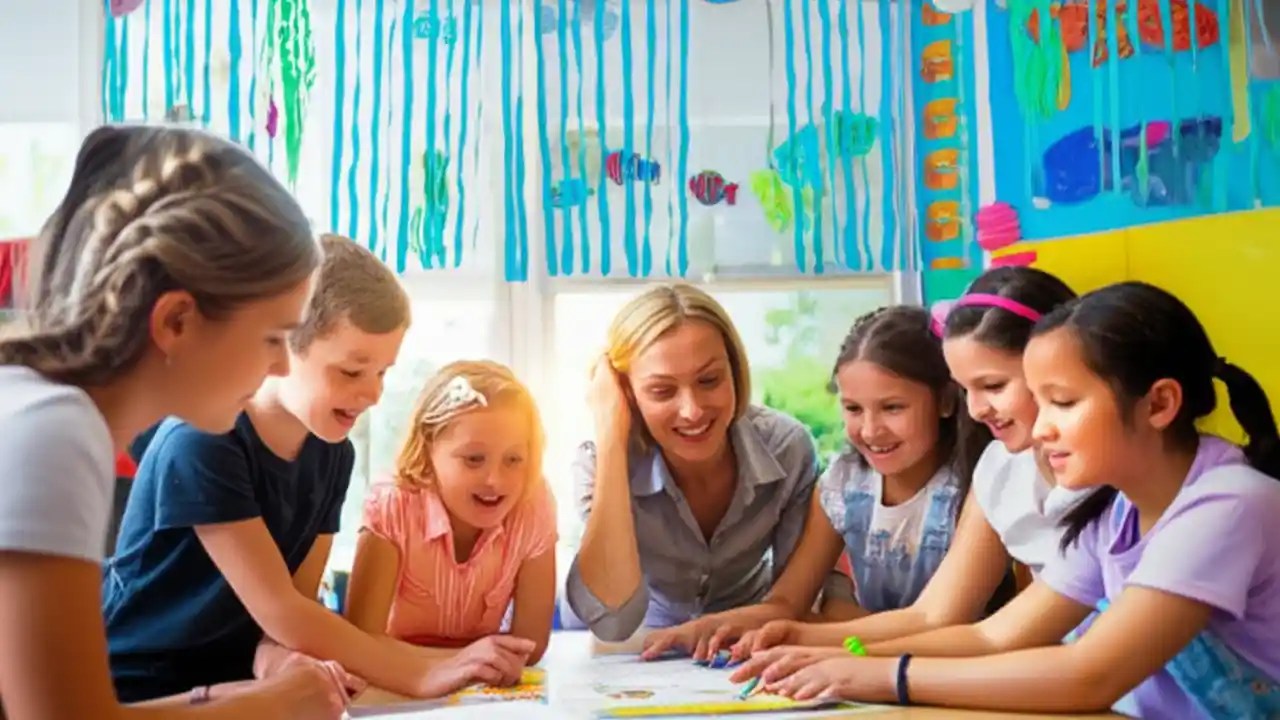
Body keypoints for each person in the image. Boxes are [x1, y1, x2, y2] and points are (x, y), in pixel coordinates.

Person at [733, 282, 1280, 718]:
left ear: (1158, 404)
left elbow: (1090, 674)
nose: (1041, 429)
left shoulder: (1226, 506)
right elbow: (995, 636)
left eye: (1062, 402)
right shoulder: (1116, 513)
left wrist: (883, 675)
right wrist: (834, 655)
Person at [0, 125, 342, 718]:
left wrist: (215, 700)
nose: (283, 363)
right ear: (177, 322)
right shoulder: (56, 430)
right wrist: (271, 707)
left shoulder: (44, 410)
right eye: (272, 336)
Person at [104, 234, 529, 702]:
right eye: (351, 372)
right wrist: (420, 674)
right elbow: (281, 610)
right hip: (139, 689)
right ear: (281, 347)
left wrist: (283, 661)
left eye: (383, 372)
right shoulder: (204, 439)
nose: (372, 395)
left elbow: (298, 605)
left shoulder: (332, 453)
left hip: (239, 682)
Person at [732, 267, 1081, 657]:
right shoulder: (999, 468)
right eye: (968, 389)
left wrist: (863, 664)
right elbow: (937, 617)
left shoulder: (1098, 477)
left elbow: (1023, 645)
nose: (977, 410)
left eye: (994, 386)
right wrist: (802, 639)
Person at [640, 306, 996, 661]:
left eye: (892, 408)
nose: (871, 430)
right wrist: (709, 626)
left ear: (947, 400)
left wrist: (814, 635)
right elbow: (787, 603)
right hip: (872, 660)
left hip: (958, 663)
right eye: (854, 409)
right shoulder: (843, 486)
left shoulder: (977, 484)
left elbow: (945, 620)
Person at [562, 283, 853, 642]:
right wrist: (610, 432)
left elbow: (794, 602)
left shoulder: (786, 449)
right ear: (627, 394)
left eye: (709, 380)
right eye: (662, 391)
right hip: (634, 644)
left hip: (741, 632)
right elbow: (613, 621)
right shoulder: (598, 461)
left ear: (735, 371)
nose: (693, 410)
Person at [345, 361, 556, 669]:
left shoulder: (532, 504)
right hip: (399, 678)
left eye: (513, 459)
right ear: (428, 449)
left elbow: (531, 646)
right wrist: (463, 660)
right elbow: (361, 642)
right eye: (473, 459)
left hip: (479, 683)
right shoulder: (393, 504)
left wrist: (472, 663)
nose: (494, 480)